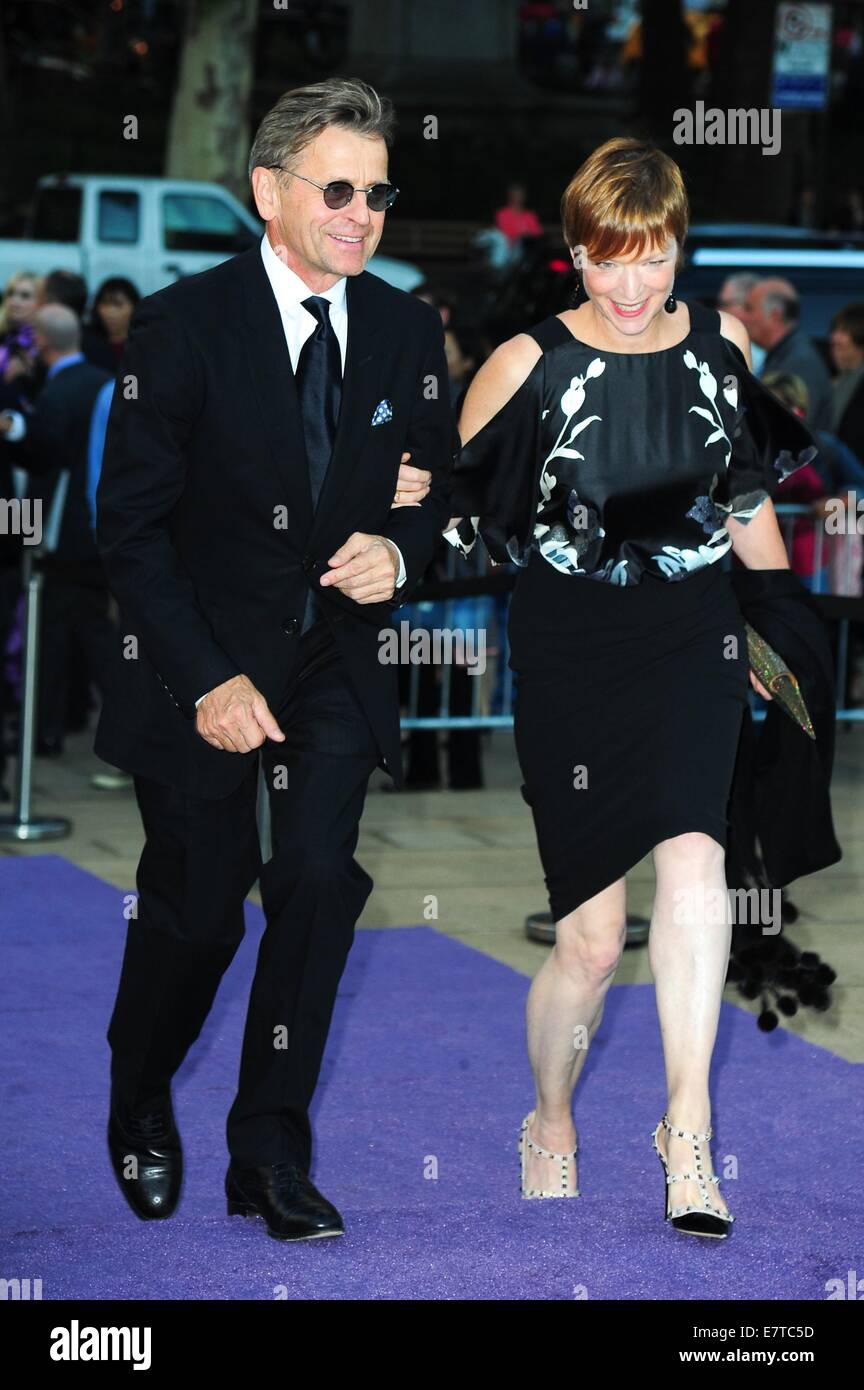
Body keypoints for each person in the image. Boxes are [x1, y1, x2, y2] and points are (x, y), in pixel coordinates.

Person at [94, 77, 453, 1242]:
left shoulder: (404, 330)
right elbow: (131, 534)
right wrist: (206, 678)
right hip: (198, 661)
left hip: (332, 666)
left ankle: (271, 1152)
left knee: (313, 886)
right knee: (199, 914)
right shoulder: (183, 324)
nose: (361, 212)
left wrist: (401, 551)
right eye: (336, 188)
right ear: (269, 190)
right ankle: (141, 1088)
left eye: (378, 191)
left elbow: (432, 492)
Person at [444, 137, 821, 1239]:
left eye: (651, 259)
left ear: (679, 249)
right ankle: (550, 1116)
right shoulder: (527, 363)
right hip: (569, 650)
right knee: (594, 943)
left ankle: (688, 1127)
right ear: (574, 253)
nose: (630, 287)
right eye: (608, 261)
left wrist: (782, 620)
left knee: (699, 855)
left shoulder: (722, 345)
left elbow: (745, 493)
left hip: (693, 631)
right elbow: (463, 517)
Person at [746, 277, 833, 430]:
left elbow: (792, 429)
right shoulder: (787, 353)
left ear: (775, 315)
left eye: (750, 309)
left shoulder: (800, 361)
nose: (746, 317)